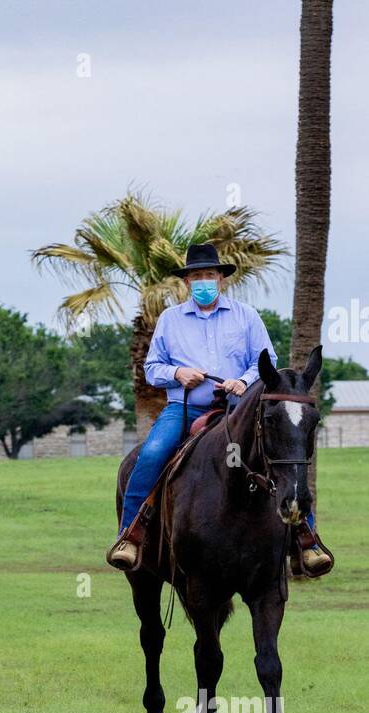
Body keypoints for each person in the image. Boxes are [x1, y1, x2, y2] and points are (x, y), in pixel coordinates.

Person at [106, 242, 332, 577]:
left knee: (282, 455)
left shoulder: (247, 317)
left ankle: (306, 538)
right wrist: (177, 373)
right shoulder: (170, 320)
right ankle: (131, 534)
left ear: (221, 280)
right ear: (187, 282)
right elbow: (152, 368)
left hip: (238, 410)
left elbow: (266, 363)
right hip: (185, 409)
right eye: (196, 276)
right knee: (151, 454)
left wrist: (242, 381)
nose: (203, 282)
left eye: (209, 275)